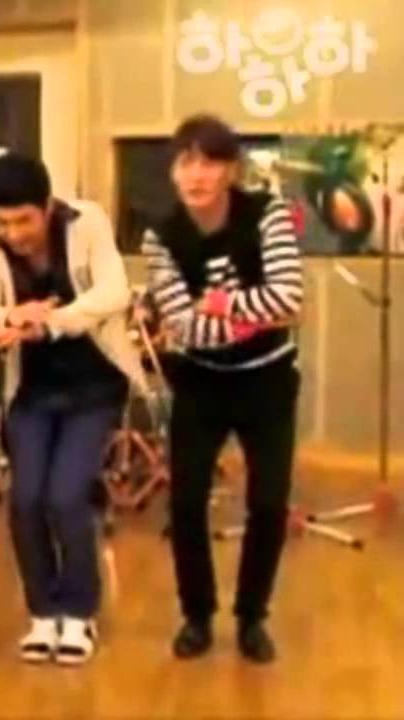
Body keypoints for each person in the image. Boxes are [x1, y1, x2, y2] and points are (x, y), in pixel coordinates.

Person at [0, 154, 145, 666]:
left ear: (46, 207)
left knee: (66, 497)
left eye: (23, 220)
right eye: (2, 222)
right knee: (25, 500)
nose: (13, 234)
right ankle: (43, 613)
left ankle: (80, 612)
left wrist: (52, 321)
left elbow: (114, 292)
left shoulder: (87, 223)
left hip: (95, 385)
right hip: (32, 392)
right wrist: (11, 316)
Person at [143, 114, 304, 665]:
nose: (197, 175)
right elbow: (184, 328)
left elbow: (289, 297)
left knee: (269, 502)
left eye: (210, 162)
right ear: (173, 171)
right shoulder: (161, 235)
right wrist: (251, 315)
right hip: (200, 382)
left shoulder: (267, 214)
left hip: (268, 379)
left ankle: (252, 615)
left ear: (231, 170)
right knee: (185, 503)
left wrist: (220, 303)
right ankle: (197, 615)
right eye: (186, 162)